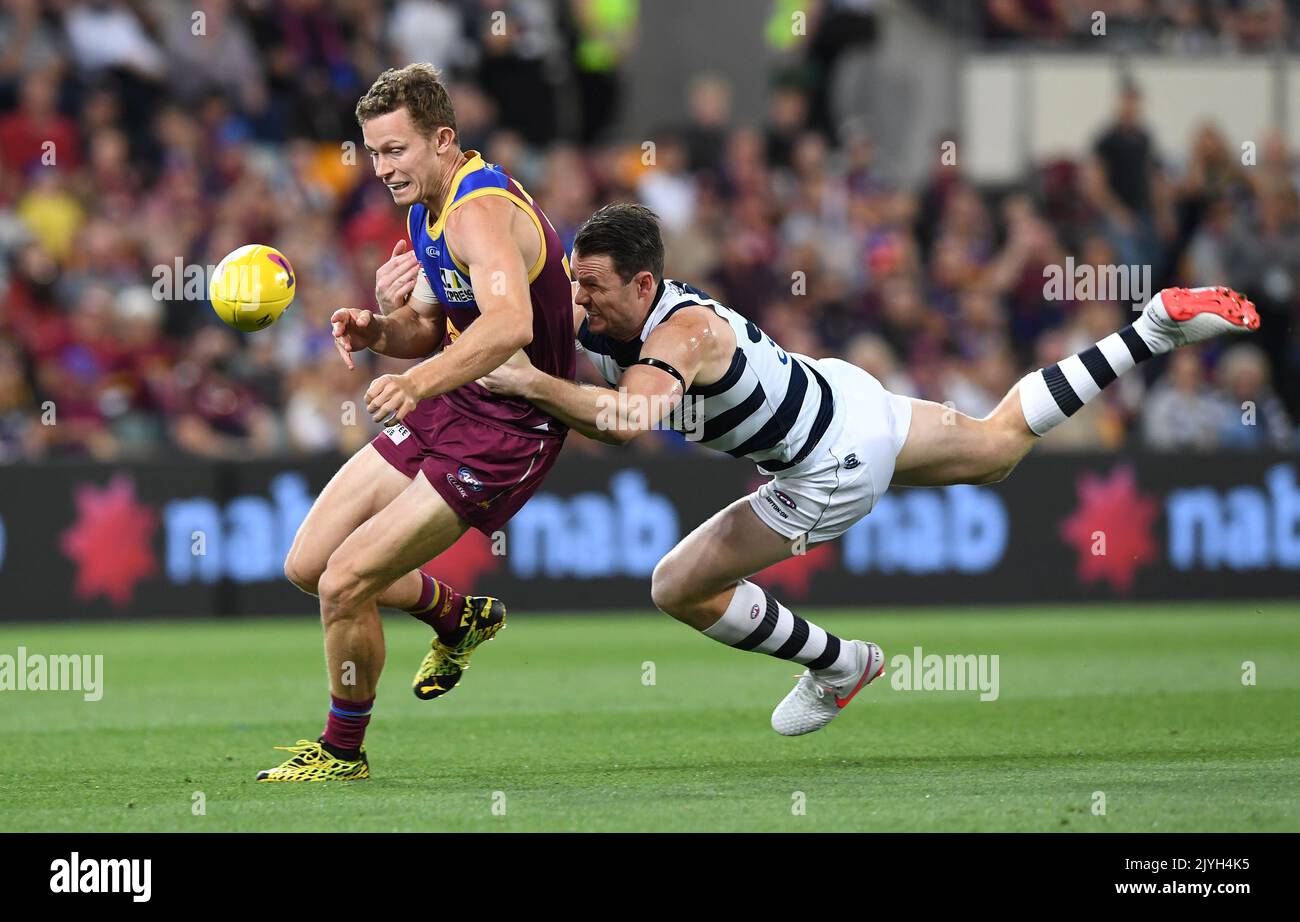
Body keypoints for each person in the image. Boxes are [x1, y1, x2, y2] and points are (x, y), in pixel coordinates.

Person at [480, 203, 1259, 737]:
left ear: (643, 284)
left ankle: (841, 665)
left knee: (675, 587)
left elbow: (625, 421)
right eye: (576, 285)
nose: (579, 306)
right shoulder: (622, 310)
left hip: (827, 465)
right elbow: (527, 300)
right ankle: (1151, 329)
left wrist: (525, 382)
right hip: (843, 397)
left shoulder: (683, 330)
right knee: (995, 446)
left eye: (593, 289)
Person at [257, 63, 576, 782]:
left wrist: (414, 381)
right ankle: (457, 618)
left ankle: (343, 753)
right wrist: (376, 331)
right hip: (453, 402)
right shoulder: (423, 211)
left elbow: (510, 325)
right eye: (373, 152)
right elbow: (430, 326)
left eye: (395, 150)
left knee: (344, 583)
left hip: (510, 431)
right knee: (307, 566)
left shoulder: (476, 210)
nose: (382, 167)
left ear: (443, 140)